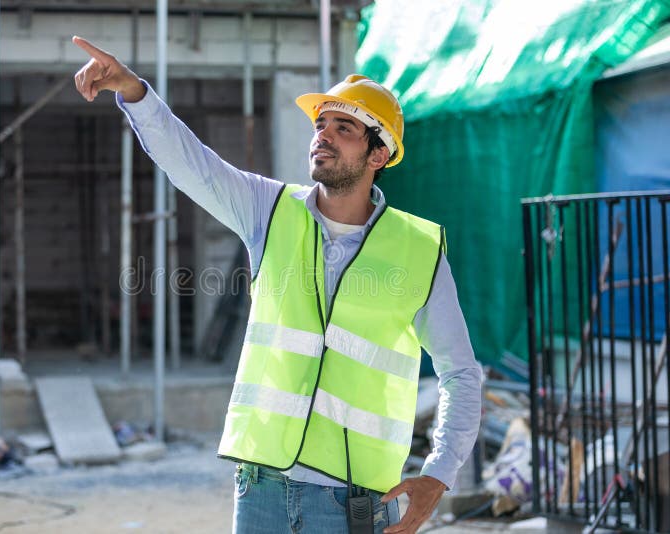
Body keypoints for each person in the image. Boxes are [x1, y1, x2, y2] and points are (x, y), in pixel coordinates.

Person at [72, 35, 482, 534]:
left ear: (378, 155)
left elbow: (461, 373)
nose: (323, 136)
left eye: (344, 128)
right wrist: (135, 92)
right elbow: (191, 164)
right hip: (261, 488)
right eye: (320, 124)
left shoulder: (418, 249)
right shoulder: (269, 209)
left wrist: (439, 474)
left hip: (352, 500)